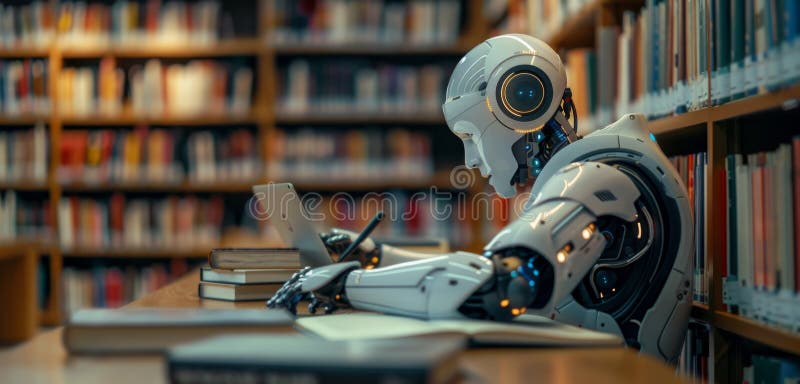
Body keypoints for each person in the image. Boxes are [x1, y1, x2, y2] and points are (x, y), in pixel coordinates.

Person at [268, 34, 693, 362]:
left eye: (471, 137)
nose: (471, 159)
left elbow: (498, 286)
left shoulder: (594, 179)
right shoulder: (598, 174)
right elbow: (489, 272)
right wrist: (376, 257)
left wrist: (345, 285)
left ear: (518, 104)